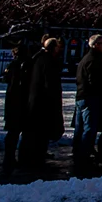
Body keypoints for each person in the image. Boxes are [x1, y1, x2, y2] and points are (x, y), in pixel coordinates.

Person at [23, 37, 65, 170]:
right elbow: (51, 85)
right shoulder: (48, 61)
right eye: (58, 47)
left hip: (36, 101)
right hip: (44, 103)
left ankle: (33, 156)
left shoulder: (39, 59)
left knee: (35, 132)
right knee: (40, 133)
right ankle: (36, 158)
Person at [72, 35, 102, 171]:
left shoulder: (85, 59)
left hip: (81, 96)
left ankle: (78, 152)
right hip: (90, 97)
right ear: (95, 45)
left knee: (80, 127)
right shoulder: (94, 61)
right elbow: (94, 81)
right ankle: (84, 155)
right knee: (89, 128)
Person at [1, 43, 29, 173]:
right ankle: (18, 157)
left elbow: (5, 79)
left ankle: (9, 157)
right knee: (20, 132)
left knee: (12, 133)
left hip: (12, 101)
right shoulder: (25, 65)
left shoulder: (12, 65)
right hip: (21, 101)